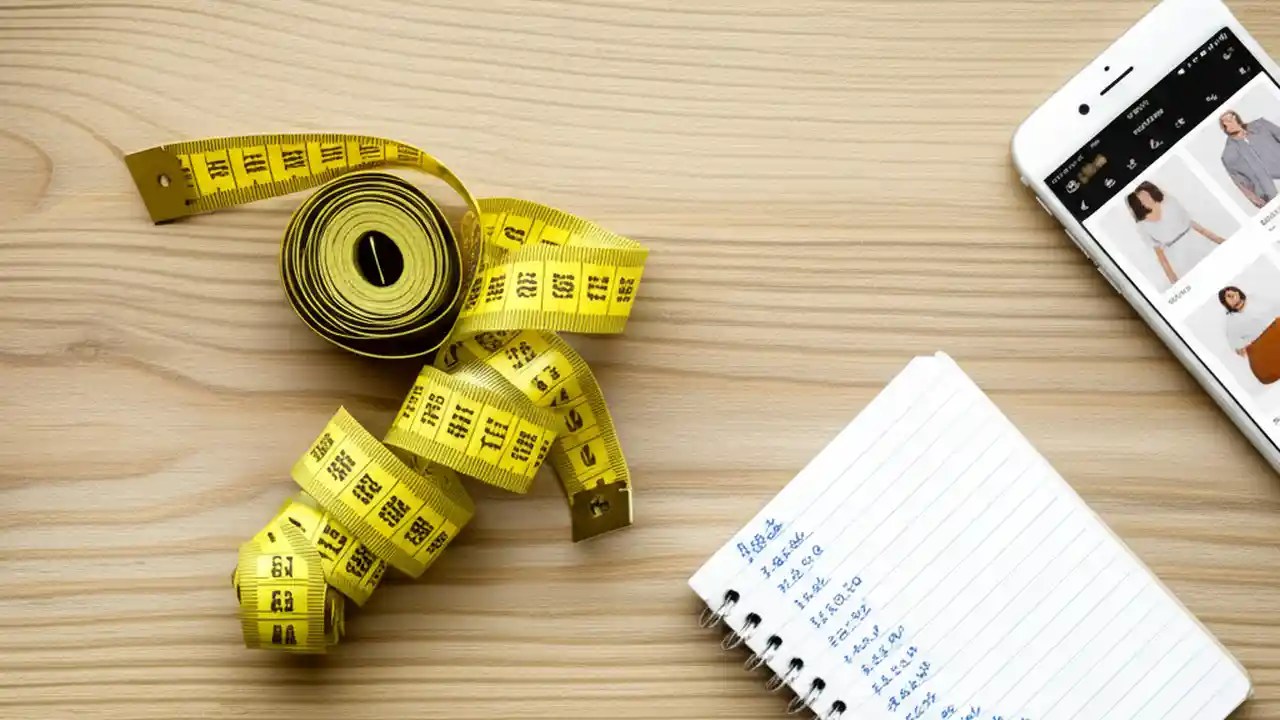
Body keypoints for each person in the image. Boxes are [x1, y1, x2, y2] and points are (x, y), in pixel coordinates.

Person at [1125, 181, 1226, 285]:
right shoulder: (1143, 226)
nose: (1146, 201)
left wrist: (1218, 239)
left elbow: (1193, 224)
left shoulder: (1170, 203)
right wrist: (1173, 280)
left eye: (1146, 196)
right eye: (1142, 200)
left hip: (1196, 241)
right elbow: (1160, 255)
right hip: (1179, 258)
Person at [1220, 285, 1280, 385]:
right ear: (1225, 303)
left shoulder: (1255, 299)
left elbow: (1276, 305)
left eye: (1233, 294)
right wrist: (1241, 348)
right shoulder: (1231, 321)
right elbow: (1234, 344)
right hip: (1262, 348)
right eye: (1228, 297)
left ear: (1238, 293)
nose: (1233, 298)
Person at [1219, 110, 1280, 208]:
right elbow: (1241, 183)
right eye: (1225, 123)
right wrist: (1259, 203)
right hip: (1271, 195)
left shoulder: (1261, 125)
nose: (1228, 123)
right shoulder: (1228, 155)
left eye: (1230, 119)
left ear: (1236, 118)